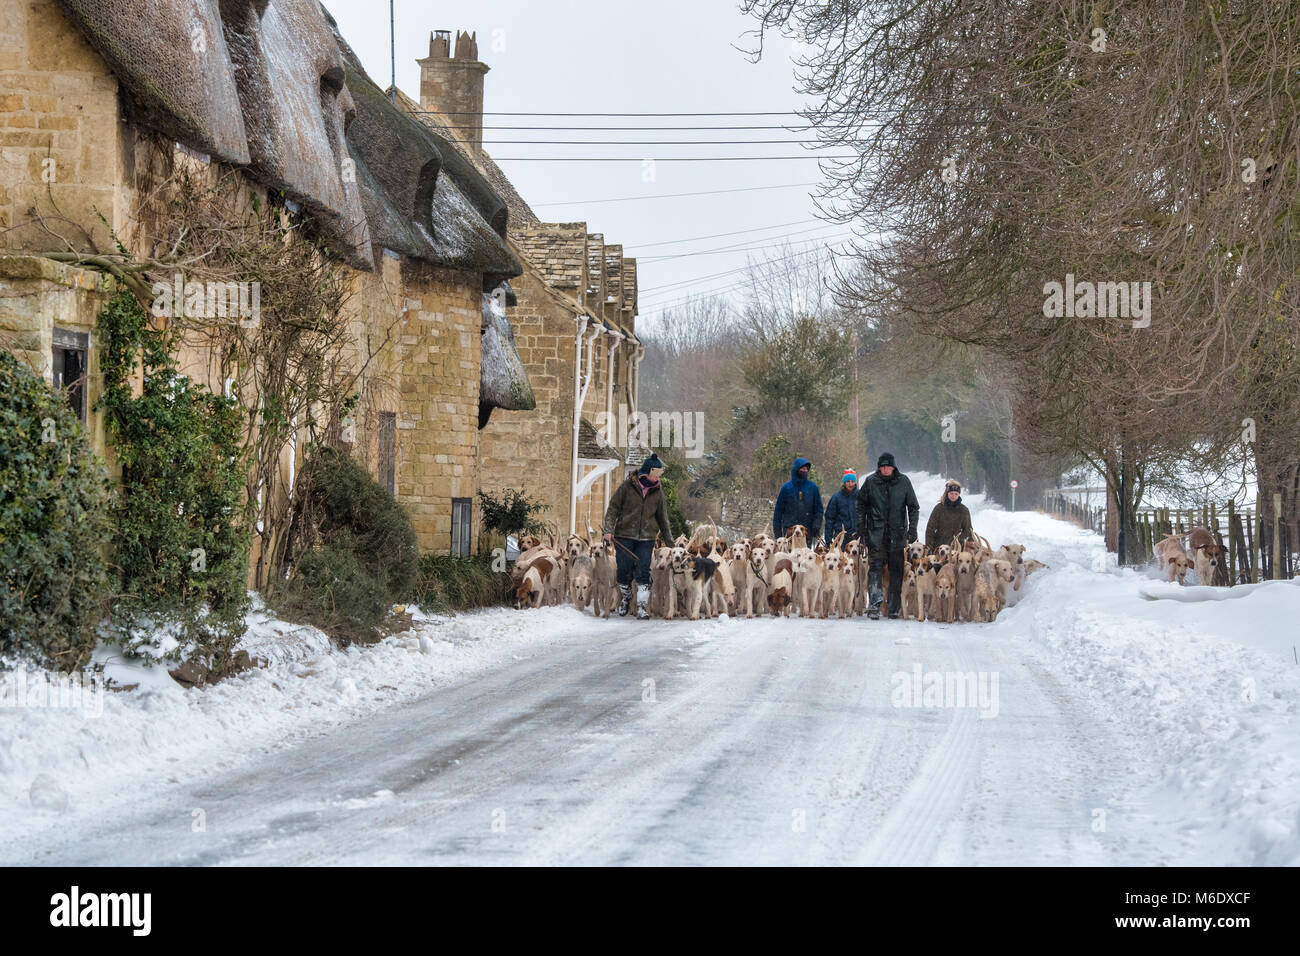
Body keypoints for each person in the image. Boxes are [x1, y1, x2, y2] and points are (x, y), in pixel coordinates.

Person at [603, 453, 674, 619]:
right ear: (647, 472)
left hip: (647, 538)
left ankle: (642, 607)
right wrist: (608, 530)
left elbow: (663, 519)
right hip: (624, 535)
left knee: (643, 572)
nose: (658, 478)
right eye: (656, 474)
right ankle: (626, 599)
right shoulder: (627, 487)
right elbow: (613, 508)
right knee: (624, 571)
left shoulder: (658, 492)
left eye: (660, 475)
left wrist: (670, 542)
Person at [856, 452, 919, 619]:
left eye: (888, 466)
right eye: (883, 466)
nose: (885, 469)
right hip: (876, 534)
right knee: (875, 569)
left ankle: (893, 607)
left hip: (897, 534)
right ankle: (875, 605)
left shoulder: (903, 482)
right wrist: (861, 525)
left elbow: (913, 507)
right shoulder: (870, 482)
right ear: (879, 467)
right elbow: (860, 504)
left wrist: (912, 529)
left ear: (893, 467)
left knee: (896, 571)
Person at [773, 456, 823, 541]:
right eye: (802, 468)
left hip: (806, 531)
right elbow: (778, 511)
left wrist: (816, 525)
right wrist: (778, 533)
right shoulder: (786, 488)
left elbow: (818, 509)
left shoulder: (813, 488)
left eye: (806, 469)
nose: (805, 471)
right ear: (796, 469)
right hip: (789, 532)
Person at [926, 478, 976, 552]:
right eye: (951, 493)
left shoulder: (964, 510)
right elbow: (930, 529)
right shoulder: (939, 508)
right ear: (947, 493)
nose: (953, 496)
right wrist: (929, 548)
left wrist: (959, 541)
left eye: (956, 494)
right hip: (939, 548)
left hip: (957, 550)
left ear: (959, 494)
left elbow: (968, 530)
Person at [823, 468, 859, 545]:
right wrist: (828, 539)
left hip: (857, 537)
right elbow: (829, 519)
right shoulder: (836, 497)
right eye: (848, 481)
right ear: (844, 483)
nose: (850, 484)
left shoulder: (861, 496)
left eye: (852, 481)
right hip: (841, 538)